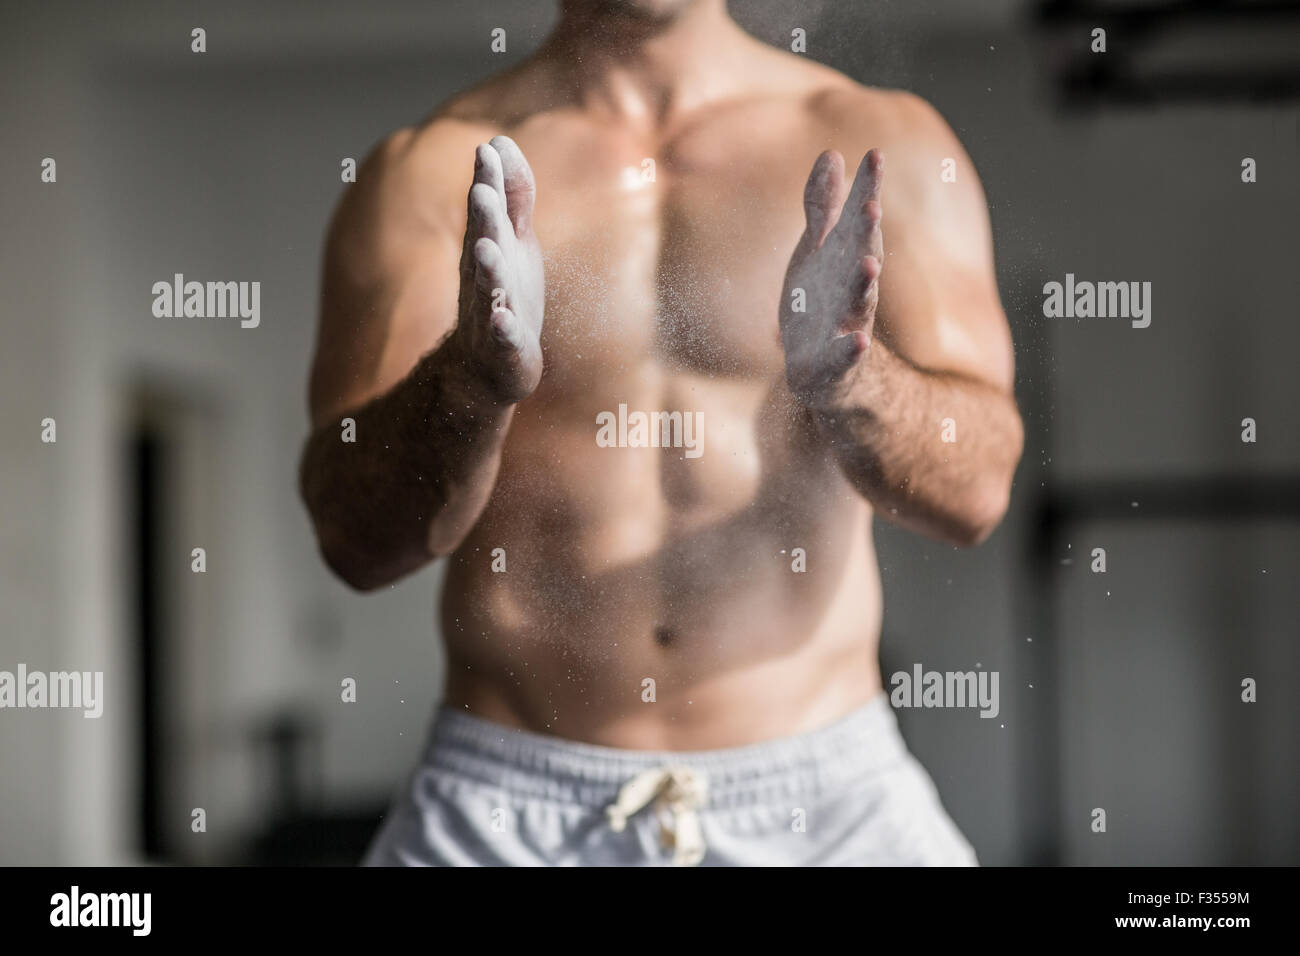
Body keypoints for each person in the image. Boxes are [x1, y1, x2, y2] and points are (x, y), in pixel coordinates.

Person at [299, 0, 1023, 866]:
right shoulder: (426, 174)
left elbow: (977, 493)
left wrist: (851, 378)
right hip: (504, 817)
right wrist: (471, 380)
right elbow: (354, 540)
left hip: (828, 811)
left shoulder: (885, 139)